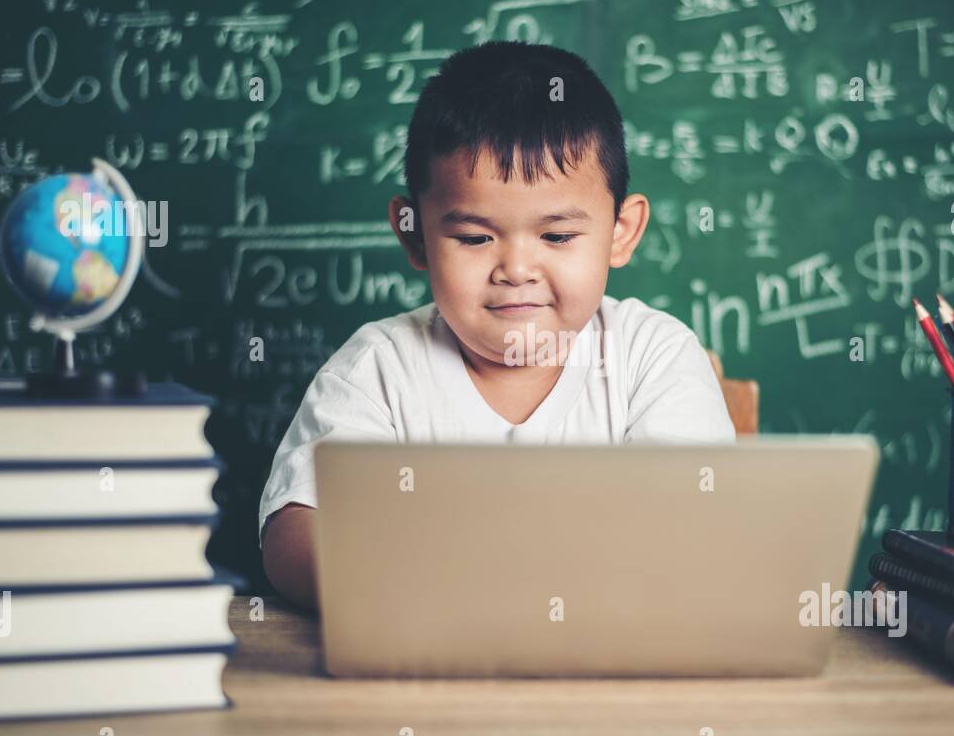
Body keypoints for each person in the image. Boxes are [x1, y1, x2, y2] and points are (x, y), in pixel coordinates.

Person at [260, 41, 736, 611]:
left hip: (615, 670)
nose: (515, 270)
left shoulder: (653, 357)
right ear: (413, 234)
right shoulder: (379, 369)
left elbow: (692, 527)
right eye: (474, 238)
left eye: (557, 237)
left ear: (621, 232)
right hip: (427, 667)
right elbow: (294, 535)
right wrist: (422, 588)